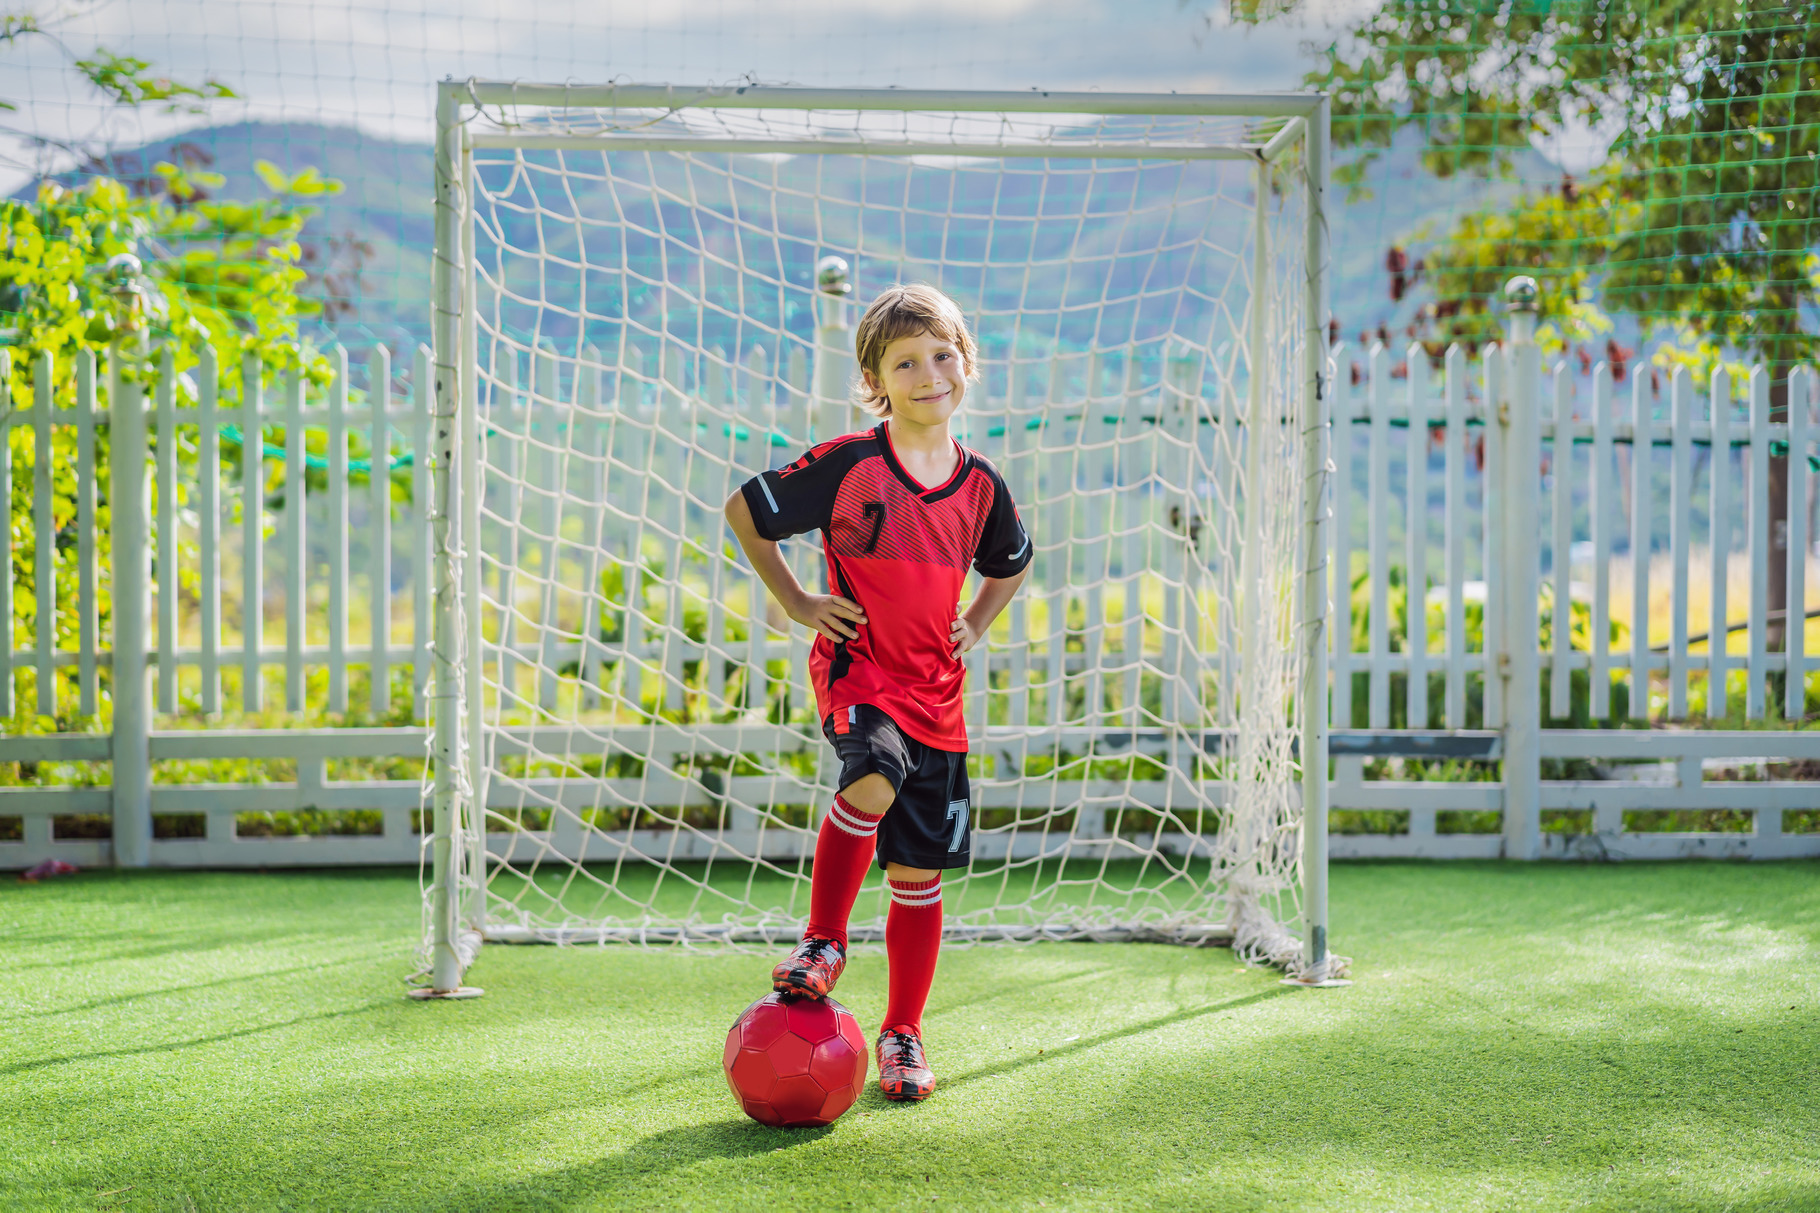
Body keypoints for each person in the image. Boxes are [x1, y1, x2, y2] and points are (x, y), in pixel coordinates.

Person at [724, 283, 1031, 1102]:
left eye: (942, 355)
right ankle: (823, 941)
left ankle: (903, 1033)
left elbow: (1011, 564)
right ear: (876, 381)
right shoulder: (852, 465)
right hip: (861, 668)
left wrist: (977, 620)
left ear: (965, 363)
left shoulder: (983, 487)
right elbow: (745, 511)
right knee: (871, 772)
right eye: (906, 362)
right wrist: (795, 600)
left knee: (918, 877)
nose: (928, 373)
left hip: (940, 693)